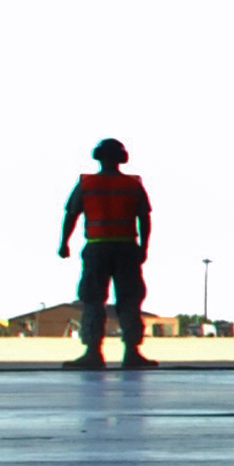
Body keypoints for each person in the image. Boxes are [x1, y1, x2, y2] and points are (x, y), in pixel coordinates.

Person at [60, 137, 154, 367]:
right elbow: (144, 219)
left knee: (93, 300)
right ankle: (132, 352)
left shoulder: (87, 184)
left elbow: (71, 215)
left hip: (98, 248)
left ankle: (93, 352)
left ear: (98, 156)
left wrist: (64, 243)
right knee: (130, 301)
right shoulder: (133, 185)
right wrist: (144, 248)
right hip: (127, 249)